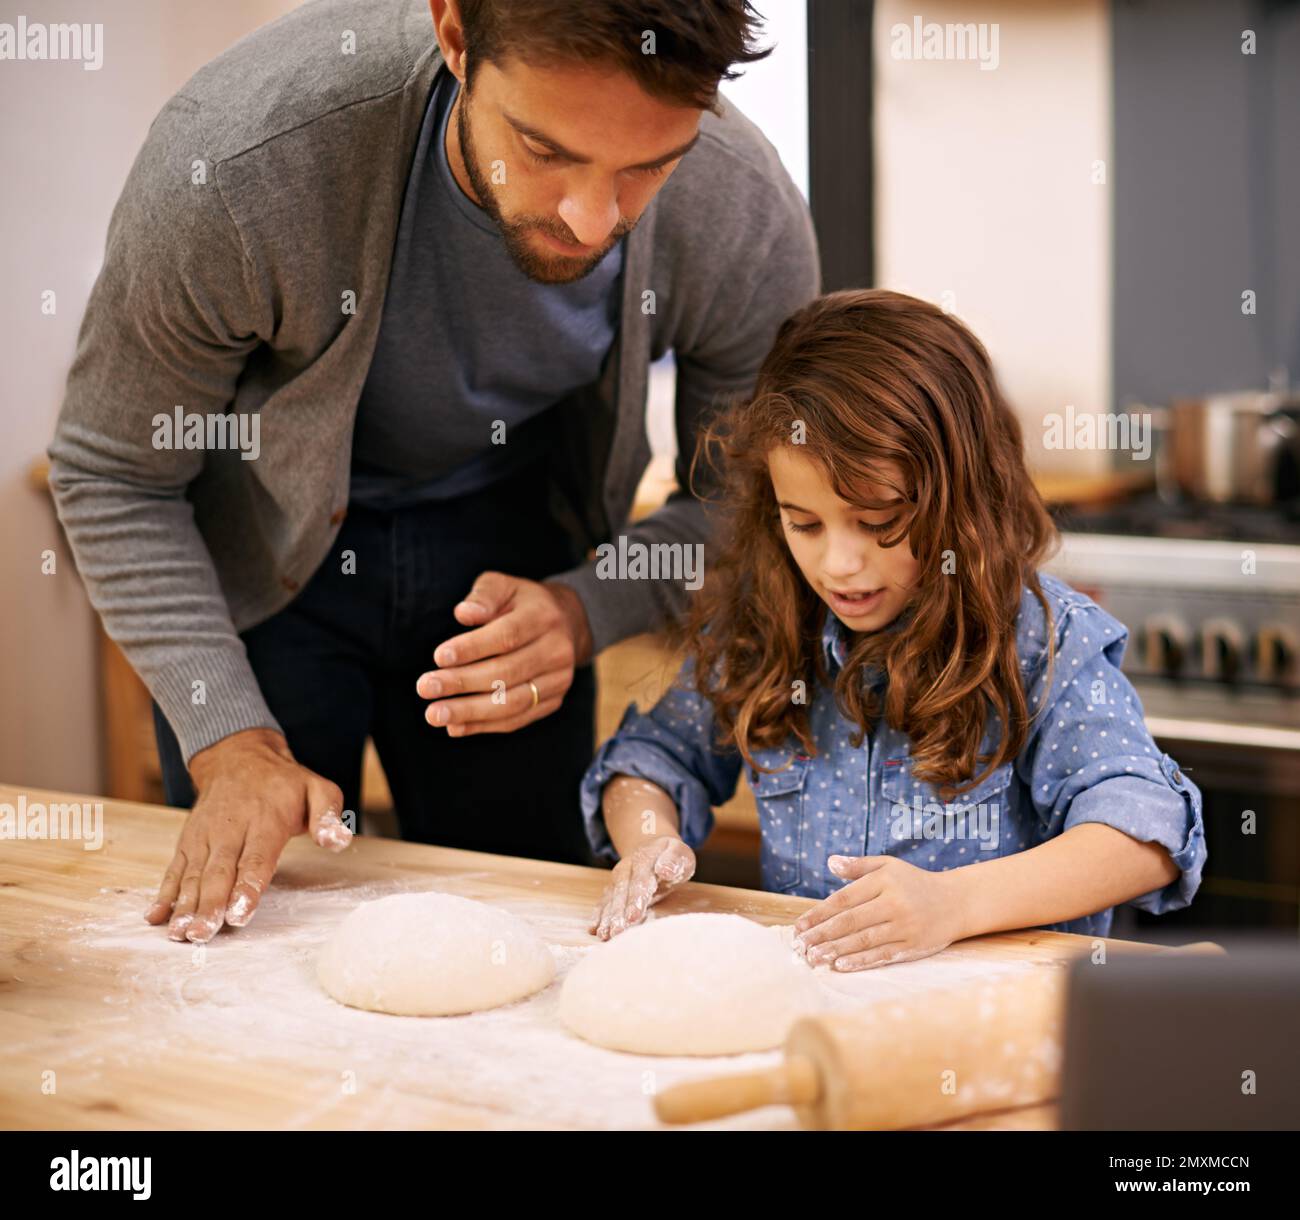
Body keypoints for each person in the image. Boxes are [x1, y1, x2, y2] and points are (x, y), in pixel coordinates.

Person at [46, 0, 818, 943]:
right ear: (455, 35)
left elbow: (749, 508)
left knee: (531, 927)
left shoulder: (740, 205)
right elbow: (113, 474)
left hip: (516, 552)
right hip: (259, 555)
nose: (590, 219)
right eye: (544, 150)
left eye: (647, 168)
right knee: (256, 932)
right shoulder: (240, 169)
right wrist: (230, 741)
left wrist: (587, 608)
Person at [583, 289, 1206, 969]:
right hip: (822, 1017)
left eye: (880, 524)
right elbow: (651, 760)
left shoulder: (1041, 643)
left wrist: (955, 904)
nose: (840, 565)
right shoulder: (763, 626)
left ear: (963, 499)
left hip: (996, 1028)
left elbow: (1143, 832)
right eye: (805, 523)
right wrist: (648, 838)